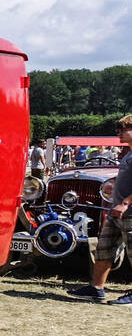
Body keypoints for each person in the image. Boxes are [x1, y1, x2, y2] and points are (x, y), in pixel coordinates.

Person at [68, 115, 132, 305]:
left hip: (128, 210)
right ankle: (96, 288)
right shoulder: (128, 154)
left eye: (123, 129)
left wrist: (126, 203)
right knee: (104, 249)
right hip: (117, 210)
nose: (118, 133)